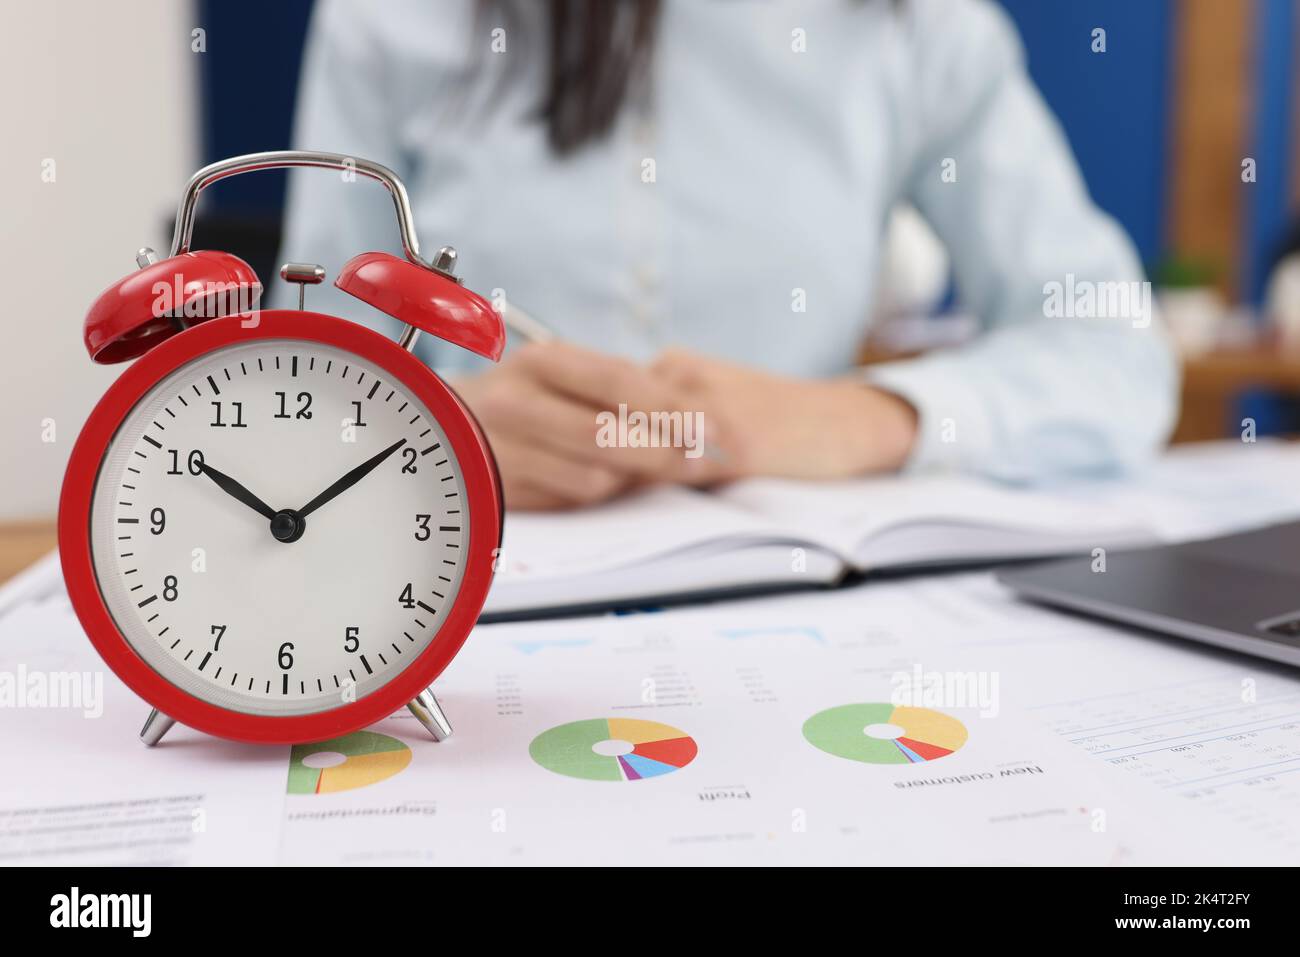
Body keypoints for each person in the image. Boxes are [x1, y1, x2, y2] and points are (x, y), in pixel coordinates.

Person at [279, 0, 1178, 510]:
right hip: (467, 571)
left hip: (807, 603)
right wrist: (428, 439)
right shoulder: (388, 20)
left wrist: (871, 418)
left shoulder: (922, 27)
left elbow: (1114, 350)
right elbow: (303, 397)